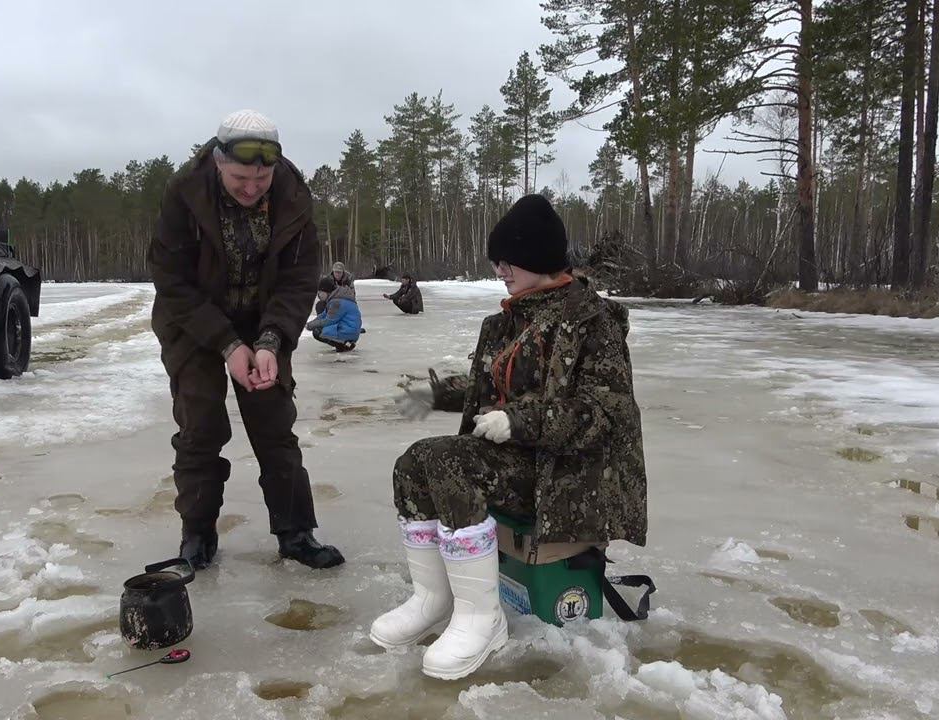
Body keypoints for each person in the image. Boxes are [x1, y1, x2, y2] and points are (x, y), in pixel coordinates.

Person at [368, 194, 647, 680]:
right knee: (414, 463)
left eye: (507, 259)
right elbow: (488, 385)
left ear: (539, 257)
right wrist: (436, 394)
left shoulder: (593, 324)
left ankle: (483, 618)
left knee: (449, 460)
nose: (499, 269)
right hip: (516, 464)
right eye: (496, 260)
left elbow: (603, 413)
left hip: (564, 476)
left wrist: (522, 422)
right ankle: (434, 599)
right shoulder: (505, 321)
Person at [148, 109, 345, 571]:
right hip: (193, 320)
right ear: (219, 162)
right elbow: (171, 281)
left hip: (263, 319)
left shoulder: (293, 196)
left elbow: (299, 280)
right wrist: (226, 343)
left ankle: (296, 532)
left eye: (262, 177)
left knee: (275, 424)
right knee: (200, 426)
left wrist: (270, 340)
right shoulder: (184, 194)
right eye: (240, 177)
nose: (252, 187)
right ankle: (197, 534)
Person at [306, 276, 362, 352]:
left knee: (317, 331)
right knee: (319, 328)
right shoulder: (336, 298)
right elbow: (323, 314)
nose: (318, 295)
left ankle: (345, 344)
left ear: (326, 291)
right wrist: (309, 324)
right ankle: (343, 343)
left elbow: (329, 320)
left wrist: (311, 325)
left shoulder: (336, 302)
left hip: (349, 331)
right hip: (350, 329)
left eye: (319, 292)